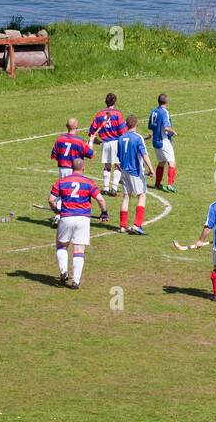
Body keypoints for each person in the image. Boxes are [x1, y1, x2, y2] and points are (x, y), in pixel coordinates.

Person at [49, 157, 110, 289]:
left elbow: (51, 200)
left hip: (66, 217)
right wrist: (104, 213)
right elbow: (100, 199)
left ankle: (64, 271)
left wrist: (56, 210)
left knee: (61, 246)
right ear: (83, 168)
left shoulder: (62, 182)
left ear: (72, 168)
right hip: (83, 219)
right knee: (79, 250)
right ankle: (76, 280)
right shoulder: (89, 183)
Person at [115, 114, 155, 235]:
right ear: (137, 124)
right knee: (142, 195)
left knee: (126, 197)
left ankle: (122, 226)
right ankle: (137, 225)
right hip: (135, 172)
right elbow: (144, 154)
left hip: (124, 171)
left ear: (126, 125)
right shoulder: (138, 138)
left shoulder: (121, 138)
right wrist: (151, 169)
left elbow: (119, 156)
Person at [88, 93, 127, 196]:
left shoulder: (99, 115)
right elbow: (123, 131)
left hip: (105, 143)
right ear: (115, 102)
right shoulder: (118, 114)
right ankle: (114, 188)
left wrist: (95, 139)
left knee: (107, 166)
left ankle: (105, 188)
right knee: (118, 165)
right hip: (116, 142)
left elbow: (92, 131)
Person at [148, 93, 177, 191]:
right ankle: (170, 184)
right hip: (163, 140)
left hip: (155, 141)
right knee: (172, 163)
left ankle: (157, 184)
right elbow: (166, 127)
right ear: (167, 102)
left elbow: (151, 127)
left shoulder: (153, 112)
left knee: (161, 162)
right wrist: (173, 132)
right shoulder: (164, 112)